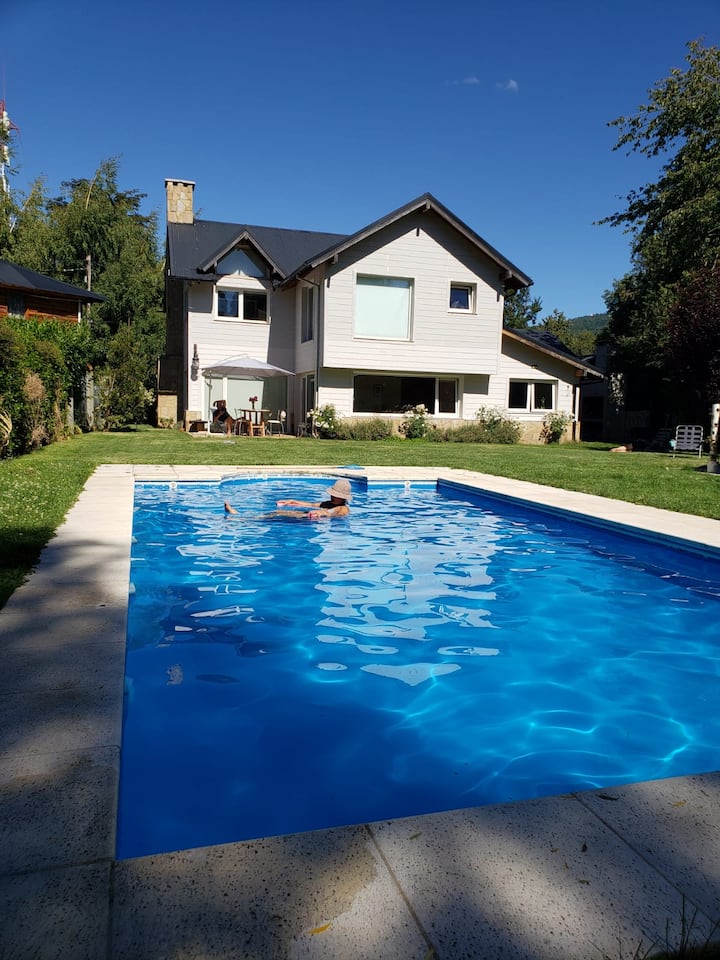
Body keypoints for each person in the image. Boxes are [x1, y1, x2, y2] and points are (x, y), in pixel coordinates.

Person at [224, 478, 352, 520]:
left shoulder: (343, 509)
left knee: (276, 515)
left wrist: (323, 513)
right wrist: (292, 501)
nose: (332, 496)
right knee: (277, 513)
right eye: (333, 494)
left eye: (336, 495)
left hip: (309, 519)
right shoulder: (329, 503)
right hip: (308, 516)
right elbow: (312, 504)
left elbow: (335, 513)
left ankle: (239, 518)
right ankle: (239, 517)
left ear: (343, 497)